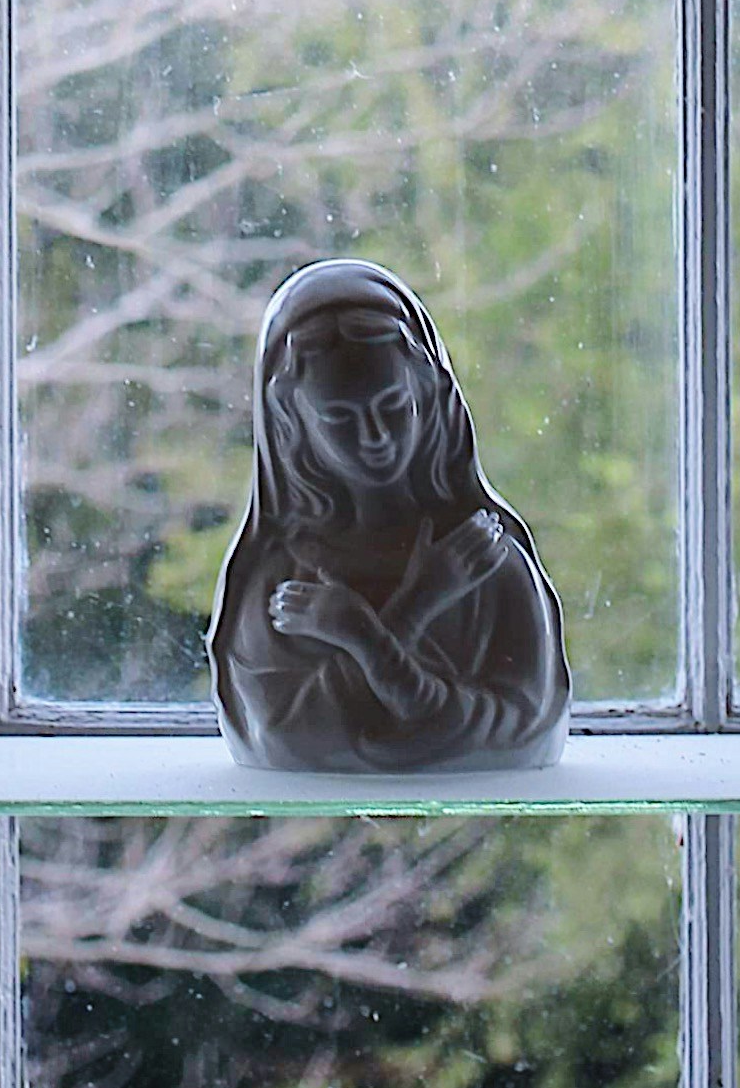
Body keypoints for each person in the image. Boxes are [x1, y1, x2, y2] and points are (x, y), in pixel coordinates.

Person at [209, 258, 570, 772]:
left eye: (393, 406)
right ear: (294, 424)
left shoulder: (483, 558)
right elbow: (282, 735)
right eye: (339, 418)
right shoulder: (278, 579)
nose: (375, 438)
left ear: (426, 395)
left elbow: (523, 724)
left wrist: (361, 634)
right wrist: (414, 607)